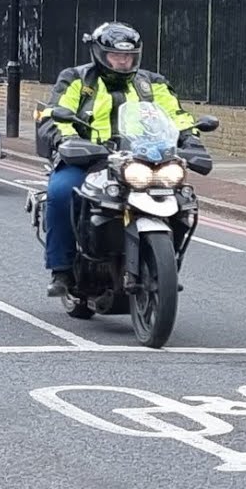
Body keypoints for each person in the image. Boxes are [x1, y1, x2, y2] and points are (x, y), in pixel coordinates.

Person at [35, 22, 200, 297]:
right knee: (62, 191)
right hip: (91, 158)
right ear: (100, 53)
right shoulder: (77, 79)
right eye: (116, 55)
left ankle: (164, 266)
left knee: (183, 201)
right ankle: (61, 269)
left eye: (129, 56)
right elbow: (55, 114)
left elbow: (176, 115)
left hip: (145, 160)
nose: (123, 61)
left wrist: (191, 138)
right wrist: (68, 141)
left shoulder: (152, 83)